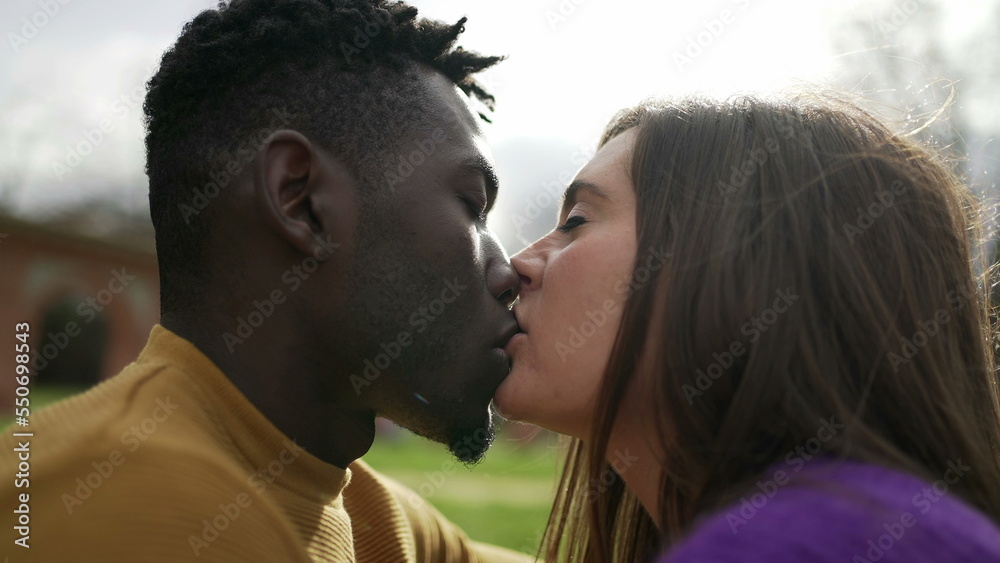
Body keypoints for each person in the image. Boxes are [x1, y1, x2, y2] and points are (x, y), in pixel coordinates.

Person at [0, 1, 527, 561]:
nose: (508, 273)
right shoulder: (123, 504)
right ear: (301, 200)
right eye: (471, 205)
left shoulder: (363, 510)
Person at [495, 94, 1000, 562]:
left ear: (746, 267)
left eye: (578, 221)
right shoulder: (863, 526)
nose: (518, 264)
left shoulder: (810, 541)